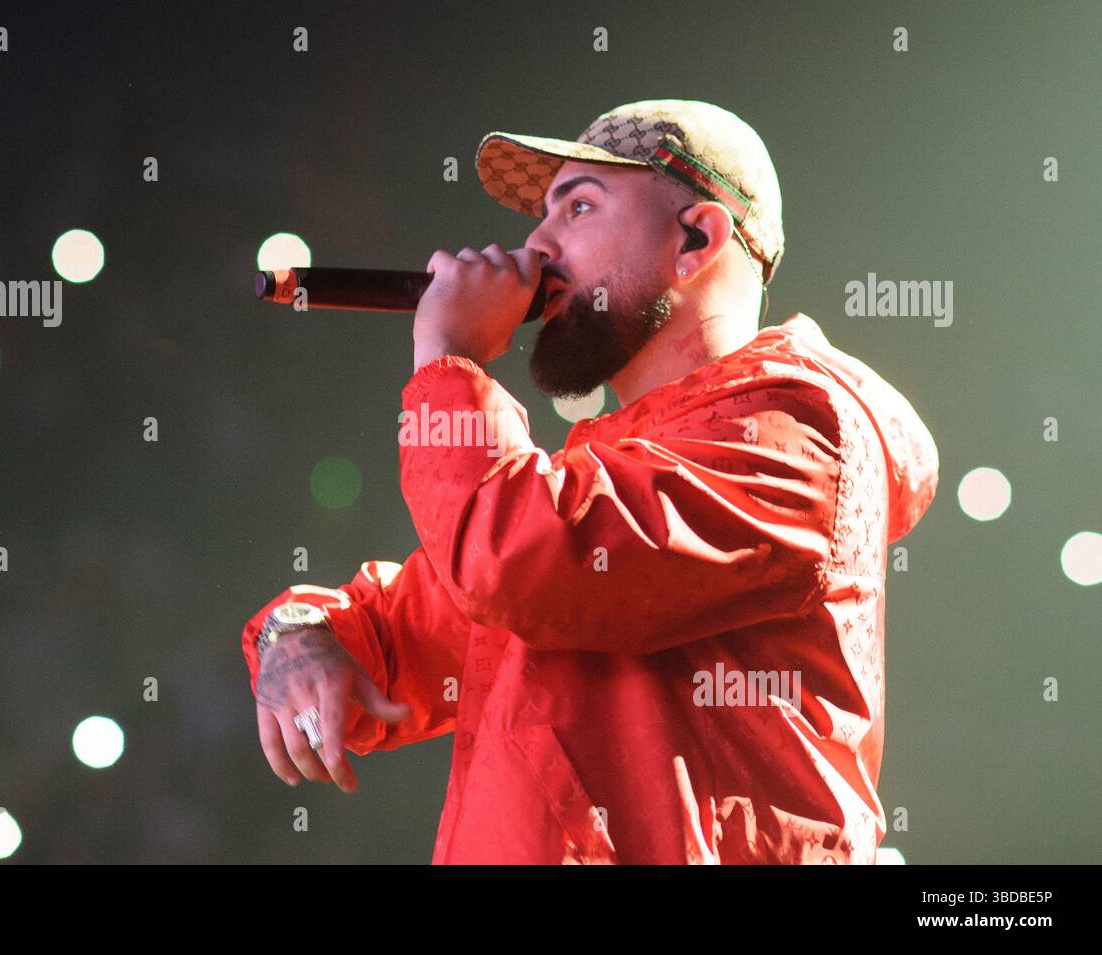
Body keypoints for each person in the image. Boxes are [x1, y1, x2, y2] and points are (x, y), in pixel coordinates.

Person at [239, 99, 939, 864]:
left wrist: (448, 357)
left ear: (696, 237)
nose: (537, 243)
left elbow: (521, 562)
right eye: (544, 214)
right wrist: (295, 635)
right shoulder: (601, 471)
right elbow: (399, 631)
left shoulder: (801, 430)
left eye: (578, 206)